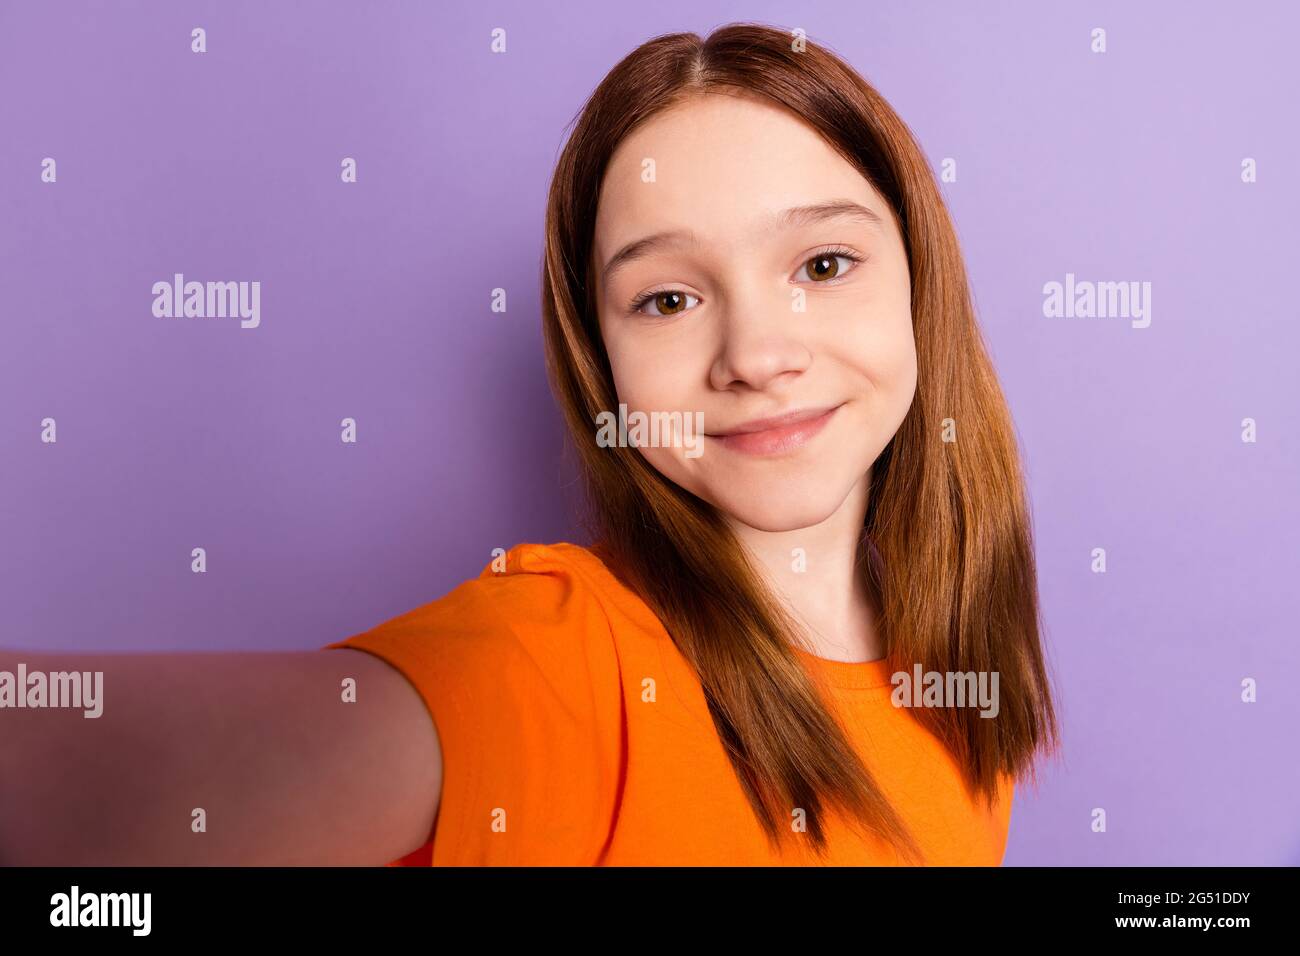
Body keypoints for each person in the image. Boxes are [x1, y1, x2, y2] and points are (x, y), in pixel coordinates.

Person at [0, 23, 1059, 867]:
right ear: (601, 361)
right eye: (669, 296)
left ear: (923, 285)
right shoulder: (562, 659)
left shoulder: (961, 689)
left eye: (822, 264)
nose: (757, 353)